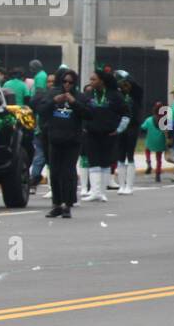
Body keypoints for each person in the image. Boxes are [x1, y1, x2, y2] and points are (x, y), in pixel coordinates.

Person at [36, 68, 87, 218]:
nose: (67, 85)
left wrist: (74, 103)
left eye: (70, 82)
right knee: (55, 173)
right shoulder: (52, 94)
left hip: (72, 140)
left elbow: (89, 114)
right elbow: (41, 110)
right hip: (54, 139)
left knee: (68, 172)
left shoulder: (79, 96)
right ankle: (56, 204)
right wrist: (54, 102)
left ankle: (67, 204)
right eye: (64, 81)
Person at [79, 68, 127, 203]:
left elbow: (126, 113)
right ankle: (94, 192)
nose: (91, 82)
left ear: (102, 81)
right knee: (93, 161)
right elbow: (81, 111)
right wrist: (82, 127)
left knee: (106, 162)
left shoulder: (115, 95)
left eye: (94, 79)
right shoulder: (88, 94)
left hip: (109, 134)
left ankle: (102, 193)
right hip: (91, 133)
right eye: (91, 79)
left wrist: (119, 129)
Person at [113, 69, 145, 195]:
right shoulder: (119, 94)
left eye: (125, 84)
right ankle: (121, 185)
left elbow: (136, 87)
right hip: (121, 126)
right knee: (120, 155)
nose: (124, 86)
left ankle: (129, 185)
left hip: (133, 126)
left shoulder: (136, 95)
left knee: (130, 155)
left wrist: (127, 77)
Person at [142, 101, 167, 182]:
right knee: (159, 158)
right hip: (160, 142)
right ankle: (157, 174)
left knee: (147, 149)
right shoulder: (165, 120)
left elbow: (143, 127)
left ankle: (148, 162)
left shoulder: (149, 119)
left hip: (150, 141)